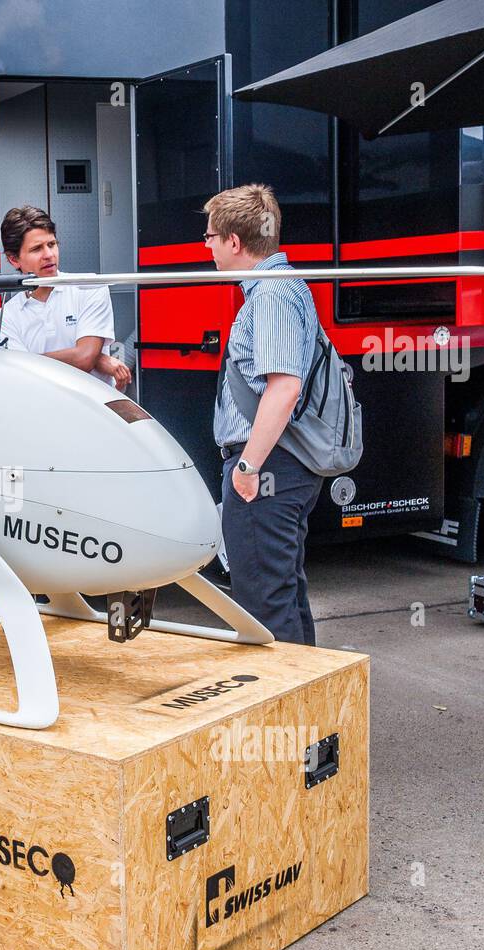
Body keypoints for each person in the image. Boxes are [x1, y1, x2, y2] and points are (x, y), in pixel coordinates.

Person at [207, 184, 322, 646]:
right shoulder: (282, 286)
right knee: (284, 593)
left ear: (234, 242)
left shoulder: (272, 294)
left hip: (268, 468)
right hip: (282, 466)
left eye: (211, 235)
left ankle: (291, 716)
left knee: (266, 605)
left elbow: (285, 385)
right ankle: (314, 713)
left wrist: (247, 468)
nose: (207, 244)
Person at [0, 205, 131, 390]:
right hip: (41, 412)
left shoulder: (90, 287)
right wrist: (99, 359)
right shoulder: (5, 317)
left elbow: (84, 358)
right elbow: (21, 377)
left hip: (93, 412)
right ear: (13, 259)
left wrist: (93, 357)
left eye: (52, 244)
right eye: (37, 249)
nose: (49, 255)